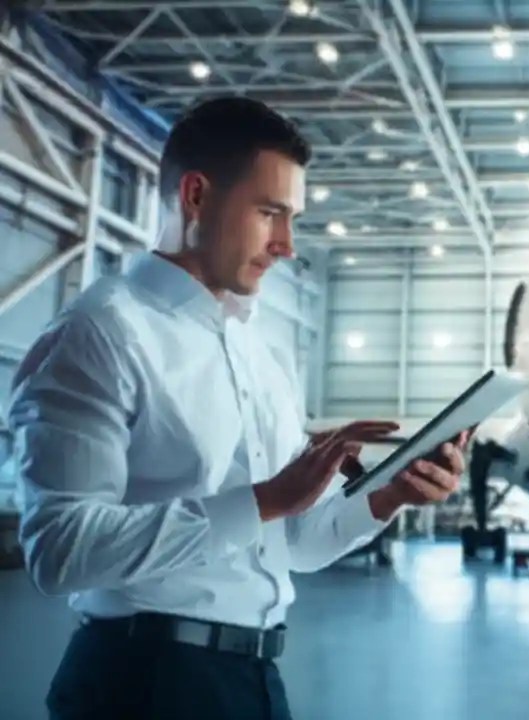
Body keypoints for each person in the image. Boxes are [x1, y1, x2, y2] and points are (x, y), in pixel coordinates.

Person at [6, 96, 468, 720]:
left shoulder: (261, 354)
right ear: (196, 195)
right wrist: (265, 499)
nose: (286, 245)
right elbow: (58, 551)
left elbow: (296, 546)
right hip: (142, 686)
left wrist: (388, 497)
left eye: (293, 218)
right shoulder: (103, 331)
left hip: (254, 679)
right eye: (270, 213)